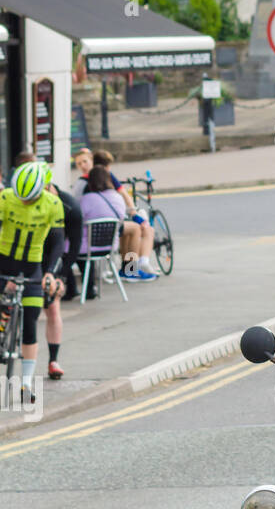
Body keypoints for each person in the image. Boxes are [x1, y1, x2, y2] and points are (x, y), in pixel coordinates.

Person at [12, 150, 82, 377]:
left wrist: (60, 276)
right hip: (23, 259)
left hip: (52, 260)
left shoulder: (67, 206)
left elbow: (70, 246)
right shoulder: (18, 201)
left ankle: (53, 360)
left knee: (52, 307)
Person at [0, 161, 64, 404]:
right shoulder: (5, 198)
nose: (24, 202)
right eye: (20, 198)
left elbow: (59, 243)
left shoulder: (53, 204)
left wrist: (51, 272)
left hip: (32, 265)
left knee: (30, 321)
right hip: (4, 260)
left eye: (29, 199)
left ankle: (25, 383)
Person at [74, 147, 157, 281]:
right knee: (134, 228)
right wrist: (134, 215)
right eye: (78, 164)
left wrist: (134, 214)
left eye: (84, 162)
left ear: (92, 161)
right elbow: (121, 196)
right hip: (98, 229)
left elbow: (123, 193)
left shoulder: (83, 182)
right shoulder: (97, 178)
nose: (82, 166)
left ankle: (127, 268)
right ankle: (130, 270)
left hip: (93, 228)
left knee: (129, 230)